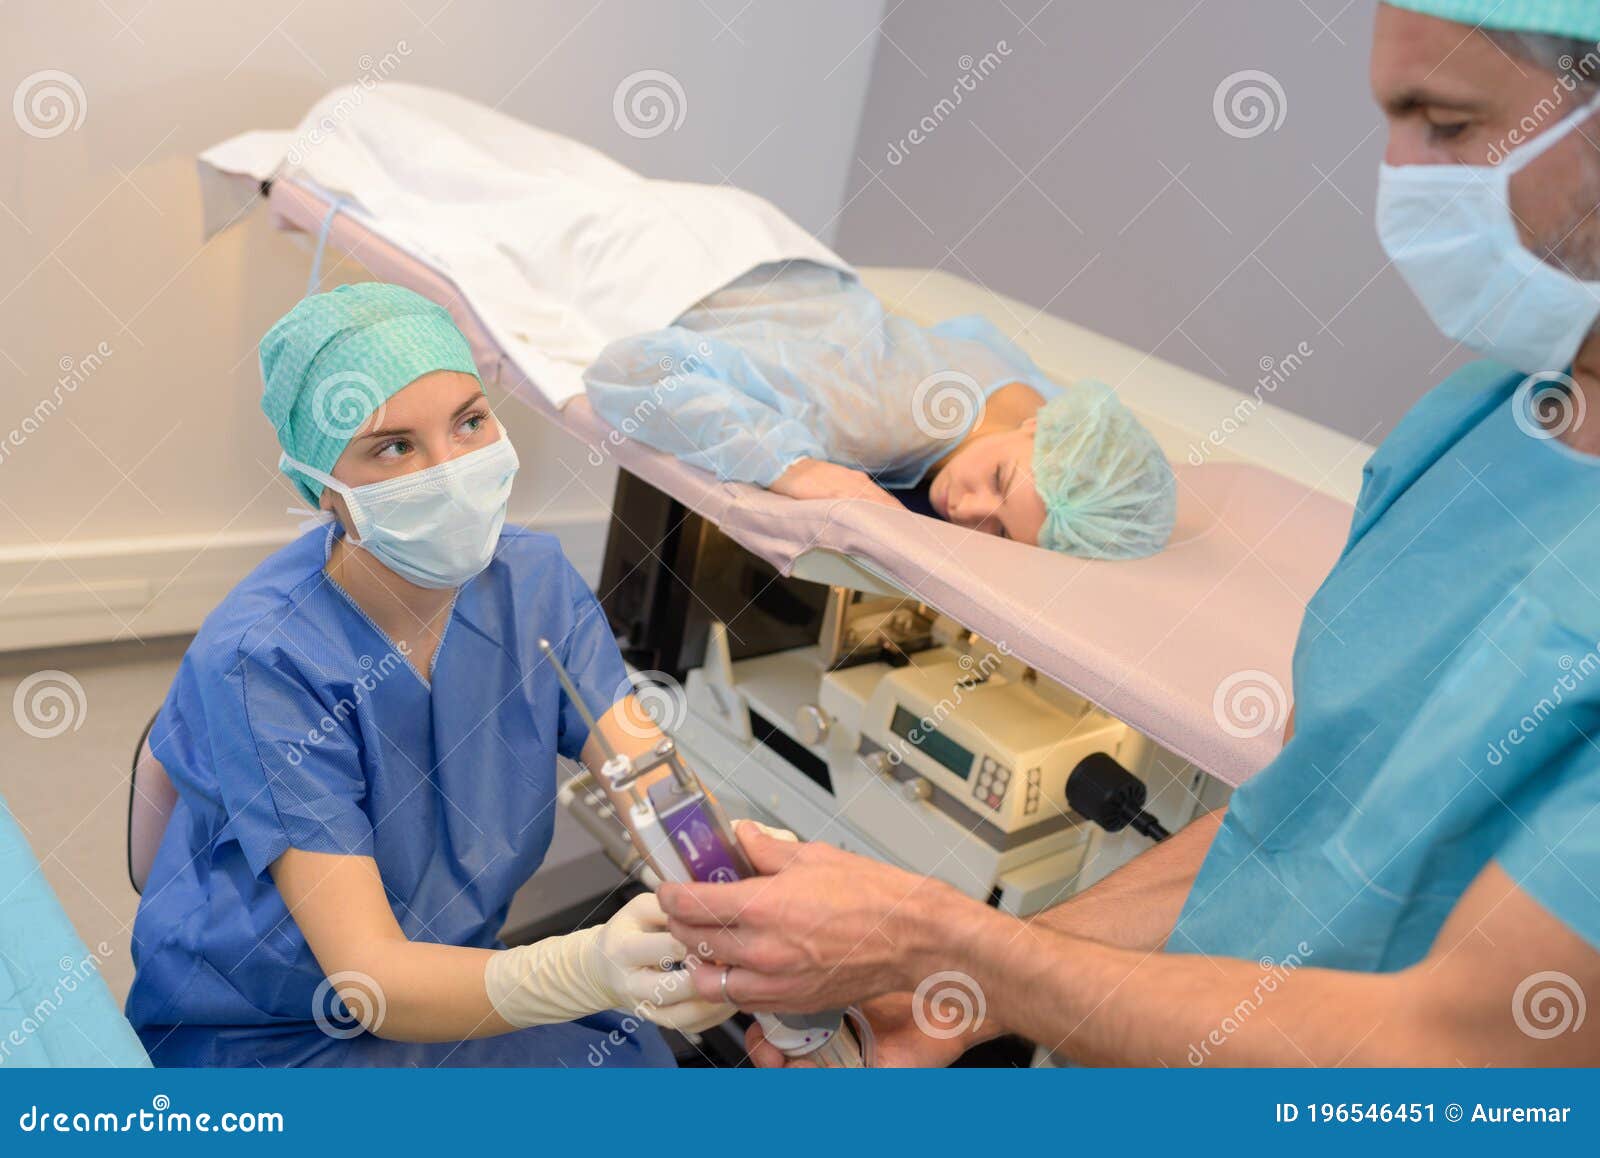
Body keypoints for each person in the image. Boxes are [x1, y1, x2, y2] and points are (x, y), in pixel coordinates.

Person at [656, 0, 1600, 1066]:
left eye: (1448, 122)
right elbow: (1285, 821)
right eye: (1391, 117)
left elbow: (1460, 1057)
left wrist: (943, 937)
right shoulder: (1468, 426)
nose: (1399, 180)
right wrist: (961, 986)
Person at [126, 283, 731, 1066]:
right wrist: (589, 970)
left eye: (470, 423)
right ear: (324, 487)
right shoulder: (267, 661)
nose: (452, 470)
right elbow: (371, 977)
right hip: (273, 1032)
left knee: (638, 1068)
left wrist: (727, 876)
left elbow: (648, 773)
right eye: (394, 447)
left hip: (451, 981)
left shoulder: (533, 584)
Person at [584, 260, 1177, 559]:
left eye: (999, 531)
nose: (968, 510)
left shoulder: (1034, 399)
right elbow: (632, 369)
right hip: (653, 267)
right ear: (1039, 429)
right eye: (997, 481)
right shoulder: (864, 425)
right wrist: (800, 470)